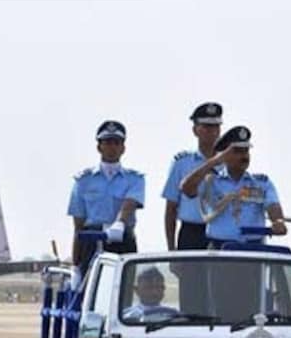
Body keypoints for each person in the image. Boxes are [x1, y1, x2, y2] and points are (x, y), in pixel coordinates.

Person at [180, 126, 287, 247]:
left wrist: (278, 221)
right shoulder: (211, 181)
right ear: (224, 155)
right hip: (220, 251)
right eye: (237, 151)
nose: (244, 156)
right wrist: (214, 161)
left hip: (253, 251)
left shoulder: (261, 183)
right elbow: (186, 188)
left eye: (246, 151)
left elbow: (273, 206)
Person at [68, 120, 145, 274]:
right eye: (108, 142)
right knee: (87, 290)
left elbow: (129, 203)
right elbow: (78, 226)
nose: (112, 147)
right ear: (99, 147)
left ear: (123, 148)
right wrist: (75, 264)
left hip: (121, 239)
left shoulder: (134, 178)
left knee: (122, 291)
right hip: (91, 240)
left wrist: (119, 223)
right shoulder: (84, 180)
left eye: (117, 143)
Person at [162, 102, 222, 251]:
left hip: (221, 231)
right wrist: (171, 248)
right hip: (191, 232)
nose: (212, 132)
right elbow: (171, 208)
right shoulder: (182, 162)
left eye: (216, 127)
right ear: (195, 130)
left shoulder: (228, 161)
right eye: (207, 127)